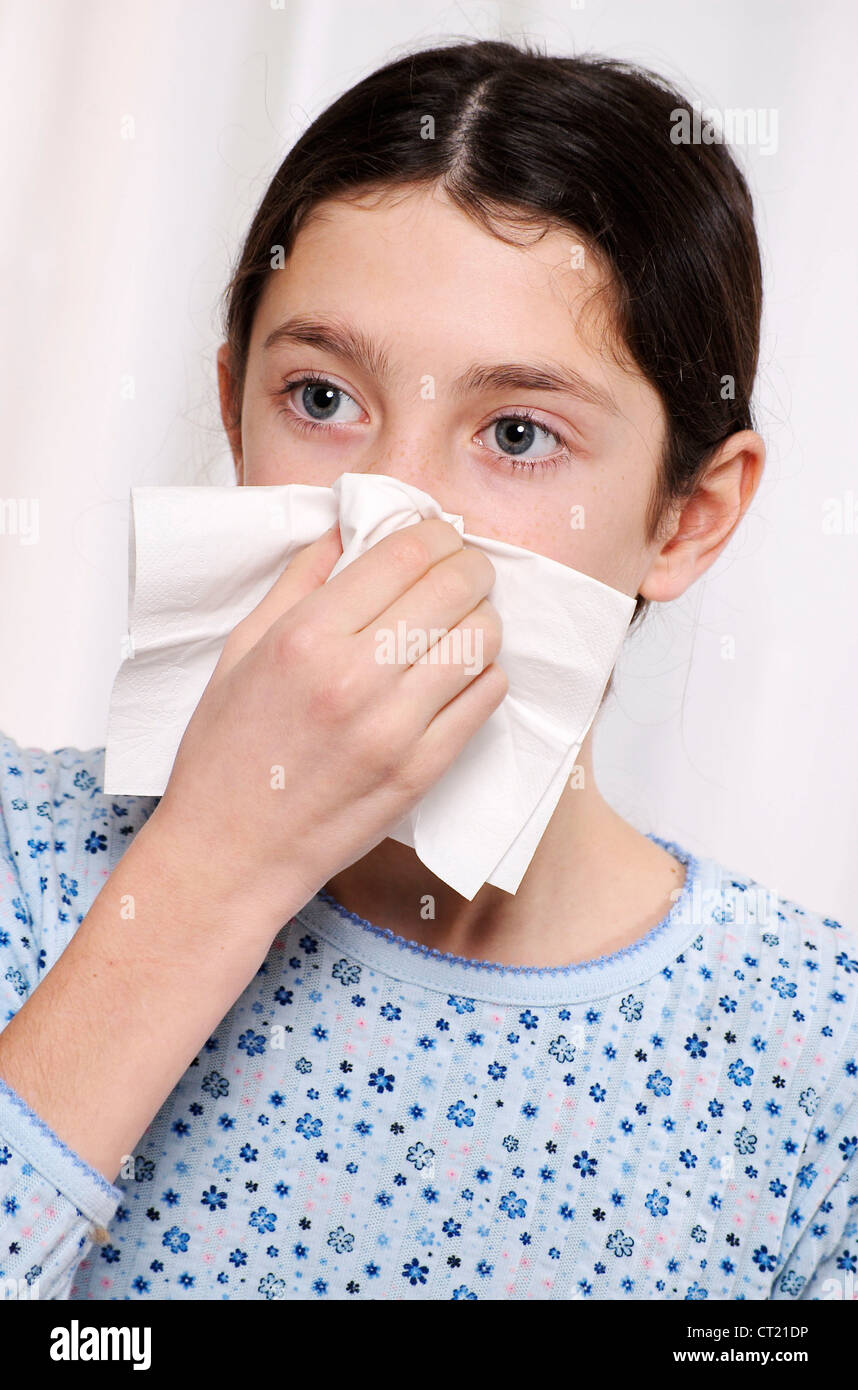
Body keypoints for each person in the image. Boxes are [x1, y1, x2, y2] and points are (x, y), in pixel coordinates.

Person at [0, 38, 855, 1303]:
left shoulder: (816, 1061)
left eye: (518, 433)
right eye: (323, 397)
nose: (387, 514)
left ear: (689, 519)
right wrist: (211, 867)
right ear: (234, 407)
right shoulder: (23, 860)